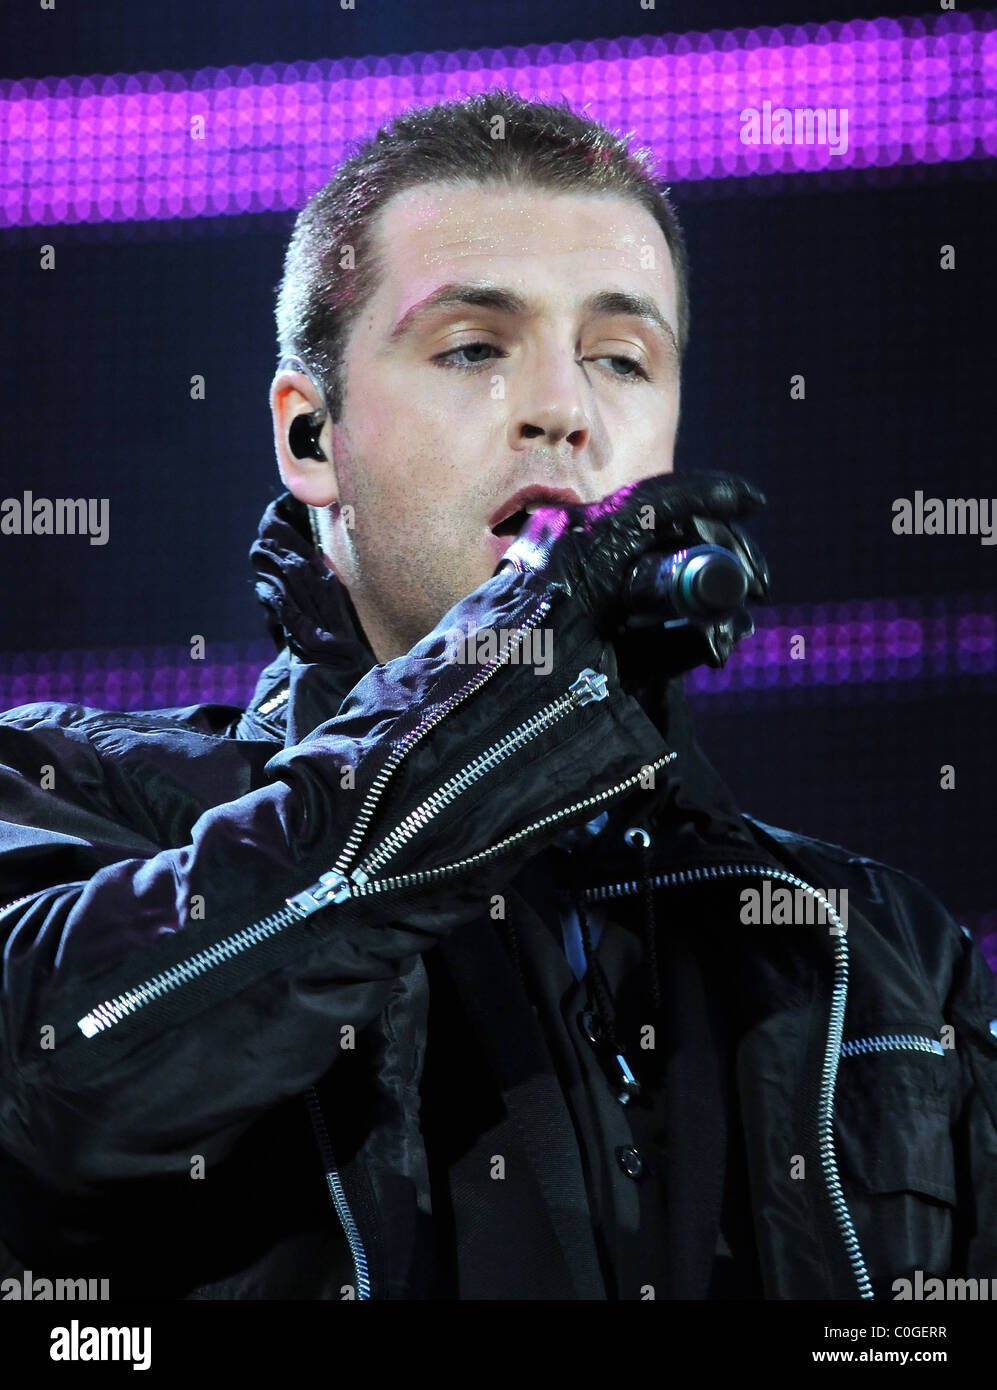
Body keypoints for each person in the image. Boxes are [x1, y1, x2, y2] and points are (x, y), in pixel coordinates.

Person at [1, 89, 995, 1303]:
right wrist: (519, 674)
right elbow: (58, 1087)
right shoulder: (78, 796)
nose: (566, 413)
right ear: (312, 436)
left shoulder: (872, 946)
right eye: (474, 347)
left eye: (620, 359)